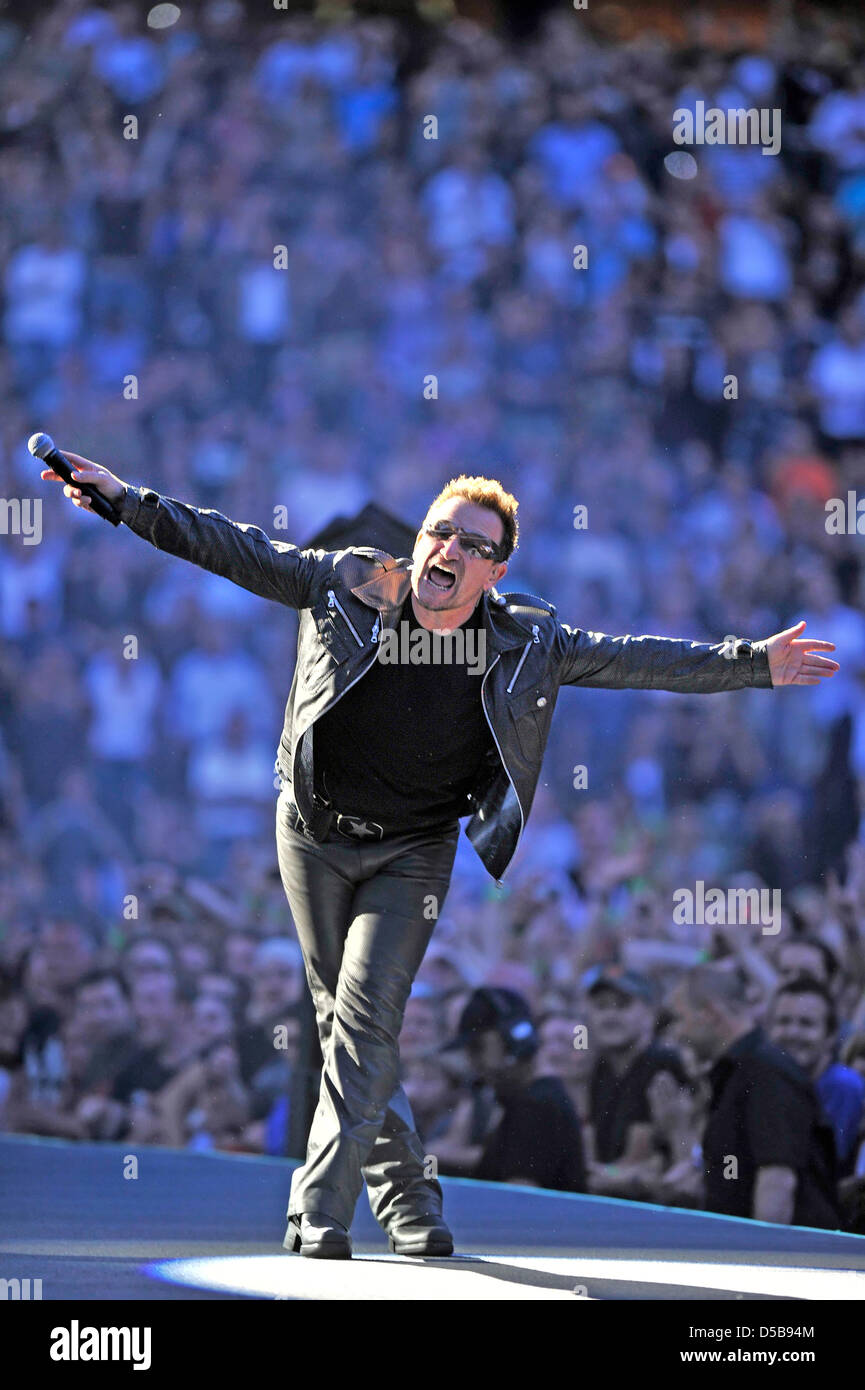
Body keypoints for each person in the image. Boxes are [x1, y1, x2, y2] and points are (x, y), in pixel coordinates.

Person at [41, 449, 840, 1258]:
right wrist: (122, 500)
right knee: (344, 1019)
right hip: (313, 836)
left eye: (470, 544)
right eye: (438, 532)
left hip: (413, 852)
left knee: (362, 1015)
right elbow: (229, 546)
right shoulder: (347, 584)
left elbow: (638, 657)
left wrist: (753, 665)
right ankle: (412, 1203)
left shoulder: (528, 642)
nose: (446, 550)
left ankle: (316, 1210)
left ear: (495, 571)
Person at [669, 964, 841, 1229]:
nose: (678, 1033)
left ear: (711, 1014)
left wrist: (762, 1260)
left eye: (681, 1018)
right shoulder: (736, 1072)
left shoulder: (766, 1071)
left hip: (786, 1261)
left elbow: (777, 1179)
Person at [434, 987, 586, 1193]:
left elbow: (517, 1206)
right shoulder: (532, 1100)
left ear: (513, 1039)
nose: (473, 1062)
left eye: (478, 1048)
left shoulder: (537, 1107)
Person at [583, 966, 690, 1198]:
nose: (610, 1016)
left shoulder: (660, 1062)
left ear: (650, 1013)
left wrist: (591, 1173)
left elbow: (638, 1157)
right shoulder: (602, 1067)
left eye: (622, 1005)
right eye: (601, 1007)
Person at [768, 977, 865, 1177]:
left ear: (829, 1036)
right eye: (784, 1021)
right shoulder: (770, 1080)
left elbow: (824, 1167)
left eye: (806, 1024)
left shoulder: (842, 1084)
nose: (792, 1033)